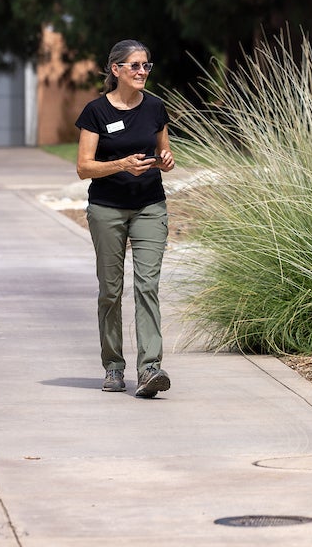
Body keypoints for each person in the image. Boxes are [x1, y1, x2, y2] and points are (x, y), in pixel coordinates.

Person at [75, 39, 175, 398]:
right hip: (107, 209)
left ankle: (150, 368)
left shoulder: (155, 108)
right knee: (111, 290)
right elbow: (83, 167)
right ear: (115, 69)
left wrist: (165, 160)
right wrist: (121, 164)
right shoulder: (96, 112)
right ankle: (113, 367)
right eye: (134, 65)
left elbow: (164, 149)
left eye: (146, 65)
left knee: (148, 285)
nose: (142, 72)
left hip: (150, 205)